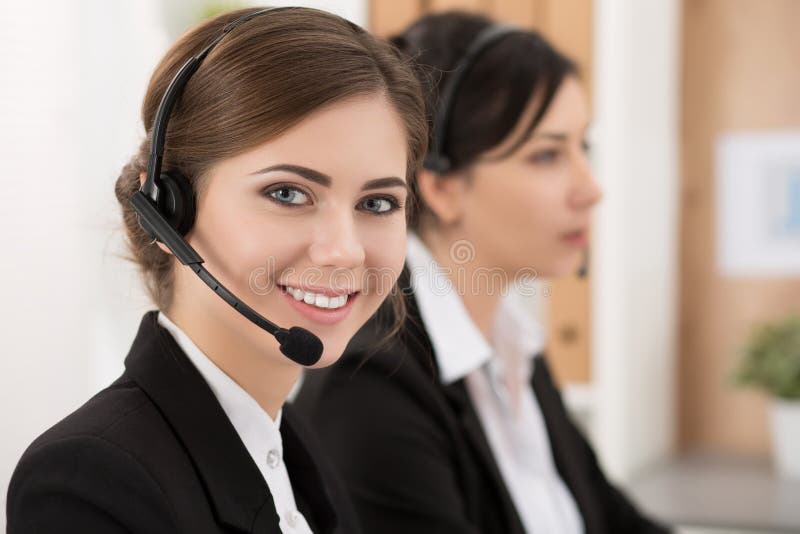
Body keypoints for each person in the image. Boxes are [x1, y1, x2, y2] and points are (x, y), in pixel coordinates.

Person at [6, 7, 426, 533]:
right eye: (288, 193)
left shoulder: (298, 454)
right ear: (166, 208)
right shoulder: (89, 481)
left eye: (378, 203)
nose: (345, 252)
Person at [296, 11, 671, 534]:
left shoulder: (510, 348)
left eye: (581, 147)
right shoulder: (370, 395)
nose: (591, 188)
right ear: (442, 186)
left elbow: (615, 522)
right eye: (546, 155)